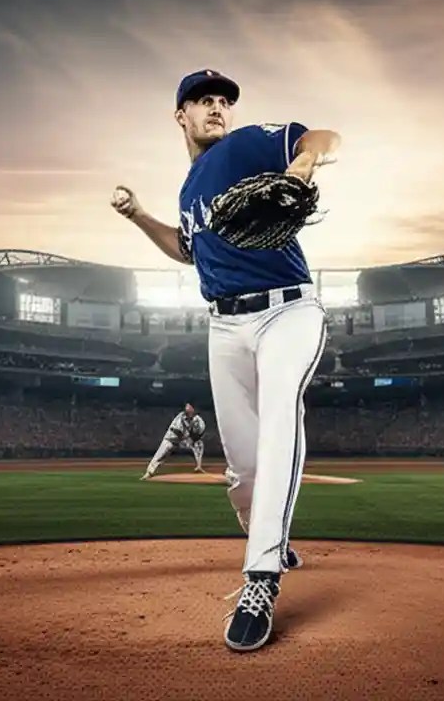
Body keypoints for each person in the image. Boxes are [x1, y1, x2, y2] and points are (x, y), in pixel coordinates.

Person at [111, 69, 339, 652]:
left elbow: (320, 137)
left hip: (289, 311)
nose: (216, 107)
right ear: (180, 116)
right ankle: (270, 533)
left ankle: (261, 578)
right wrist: (138, 215)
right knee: (241, 471)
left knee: (281, 419)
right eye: (202, 100)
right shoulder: (189, 190)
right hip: (225, 325)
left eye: (222, 100)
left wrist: (299, 167)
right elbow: (188, 250)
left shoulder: (242, 146)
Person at [141, 403, 207, 478]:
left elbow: (199, 433)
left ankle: (199, 466)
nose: (188, 409)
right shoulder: (180, 417)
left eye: (190, 407)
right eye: (187, 407)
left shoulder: (198, 421)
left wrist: (191, 440)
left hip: (183, 440)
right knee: (160, 455)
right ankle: (149, 472)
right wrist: (188, 438)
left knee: (199, 444)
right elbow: (176, 431)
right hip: (171, 439)